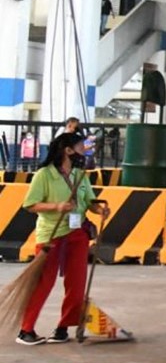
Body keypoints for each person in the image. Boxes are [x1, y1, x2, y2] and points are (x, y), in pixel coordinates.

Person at [17, 132, 111, 345]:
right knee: (44, 282)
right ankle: (26, 330)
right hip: (52, 235)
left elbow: (89, 202)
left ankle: (63, 328)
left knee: (76, 284)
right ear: (68, 151)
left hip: (78, 235)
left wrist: (99, 210)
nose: (84, 152)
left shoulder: (81, 176)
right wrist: (57, 206)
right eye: (81, 147)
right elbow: (30, 204)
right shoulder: (44, 175)